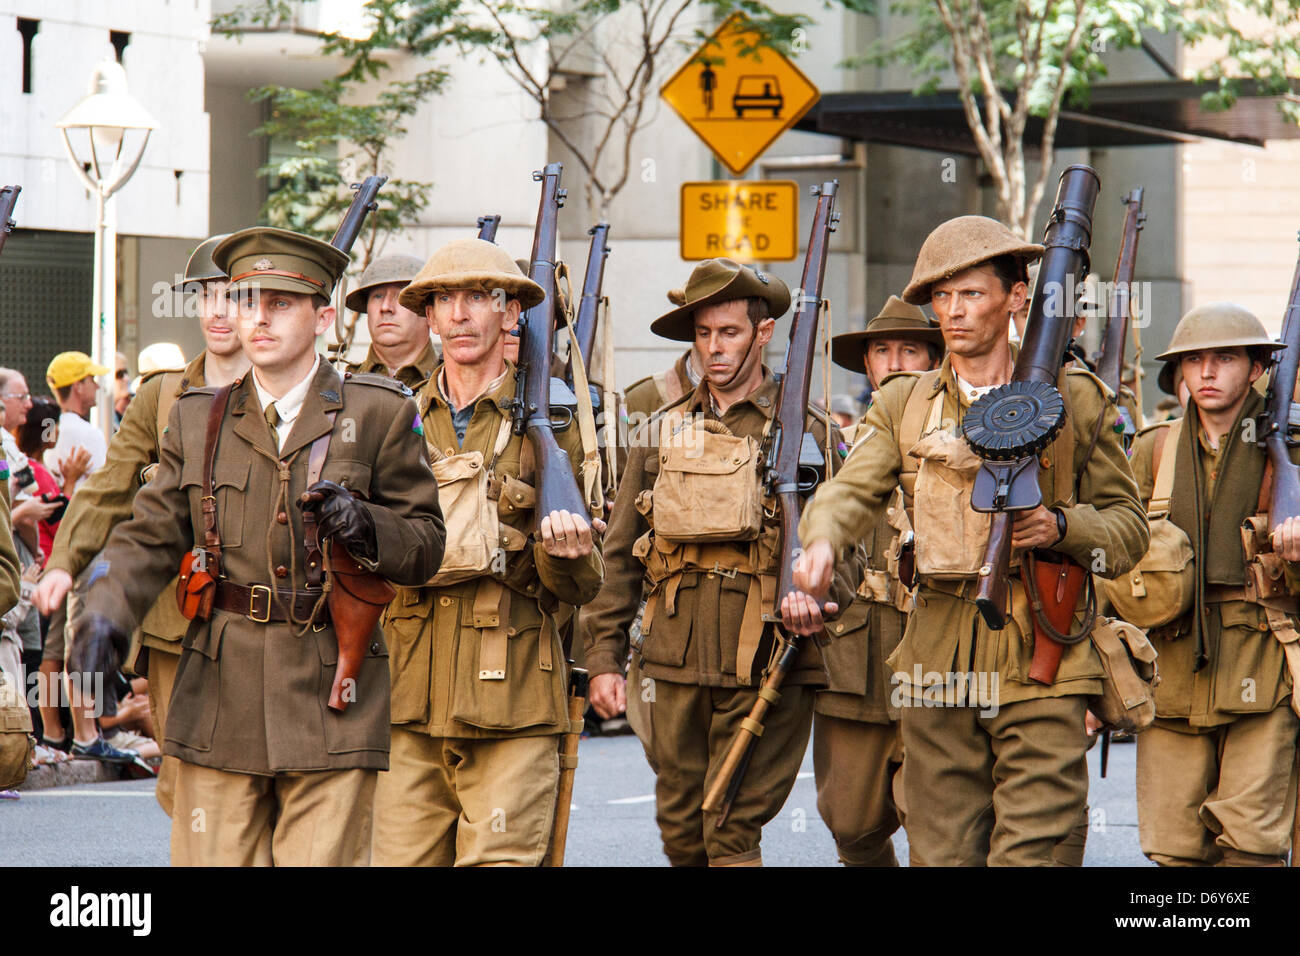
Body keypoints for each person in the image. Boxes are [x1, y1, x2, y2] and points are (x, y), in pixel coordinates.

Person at [70, 226, 446, 866]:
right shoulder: (196, 417)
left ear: (324, 316)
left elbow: (426, 544)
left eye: (280, 302)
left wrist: (367, 525)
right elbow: (150, 533)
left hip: (334, 690)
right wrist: (105, 609)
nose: (257, 318)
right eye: (247, 301)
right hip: (221, 693)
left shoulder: (382, 411)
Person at [793, 216, 1148, 866]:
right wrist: (819, 542)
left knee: (1034, 852)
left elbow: (1127, 530)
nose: (952, 313)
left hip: (1042, 652)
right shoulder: (904, 402)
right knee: (942, 853)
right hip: (936, 662)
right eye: (942, 297)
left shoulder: (1076, 401)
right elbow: (852, 487)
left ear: (1017, 296)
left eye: (972, 294)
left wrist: (1062, 528)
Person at [581, 258, 852, 867]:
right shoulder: (660, 430)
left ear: (764, 333)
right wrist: (602, 658)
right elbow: (620, 554)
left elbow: (849, 546)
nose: (713, 348)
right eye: (703, 334)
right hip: (672, 658)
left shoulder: (807, 431)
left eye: (729, 332)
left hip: (767, 658)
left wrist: (817, 597)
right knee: (682, 830)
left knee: (728, 826)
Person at [370, 238, 603, 866]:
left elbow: (583, 587)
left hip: (514, 700)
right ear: (431, 316)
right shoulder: (393, 418)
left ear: (510, 314)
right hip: (406, 698)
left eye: (479, 297)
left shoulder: (557, 425)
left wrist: (568, 552)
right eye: (444, 300)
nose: (460, 314)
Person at [36, 234, 249, 815]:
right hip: (181, 621)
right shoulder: (162, 396)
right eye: (205, 296)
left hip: (268, 620)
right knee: (184, 784)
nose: (217, 311)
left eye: (233, 295)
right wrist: (63, 563)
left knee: (261, 782)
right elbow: (105, 491)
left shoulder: (290, 391)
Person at [1129, 303, 1300, 867]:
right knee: (1173, 848)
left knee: (1252, 843)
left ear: (1256, 368)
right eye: (1193, 361)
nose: (1206, 373)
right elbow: (1113, 554)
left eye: (1225, 358)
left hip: (1264, 660)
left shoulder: (1292, 451)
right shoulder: (1152, 450)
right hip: (1171, 665)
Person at [813, 295, 942, 866]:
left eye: (909, 350)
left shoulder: (966, 431)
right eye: (881, 351)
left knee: (940, 829)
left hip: (939, 657)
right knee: (851, 824)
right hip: (856, 661)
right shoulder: (834, 444)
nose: (893, 362)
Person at [342, 253, 439, 389]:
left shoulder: (452, 383)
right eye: (378, 296)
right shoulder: (341, 383)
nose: (386, 307)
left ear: (429, 313)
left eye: (400, 296)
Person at [44, 351, 110, 491]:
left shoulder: (47, 426)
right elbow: (103, 487)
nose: (97, 386)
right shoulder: (90, 433)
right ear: (77, 386)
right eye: (91, 379)